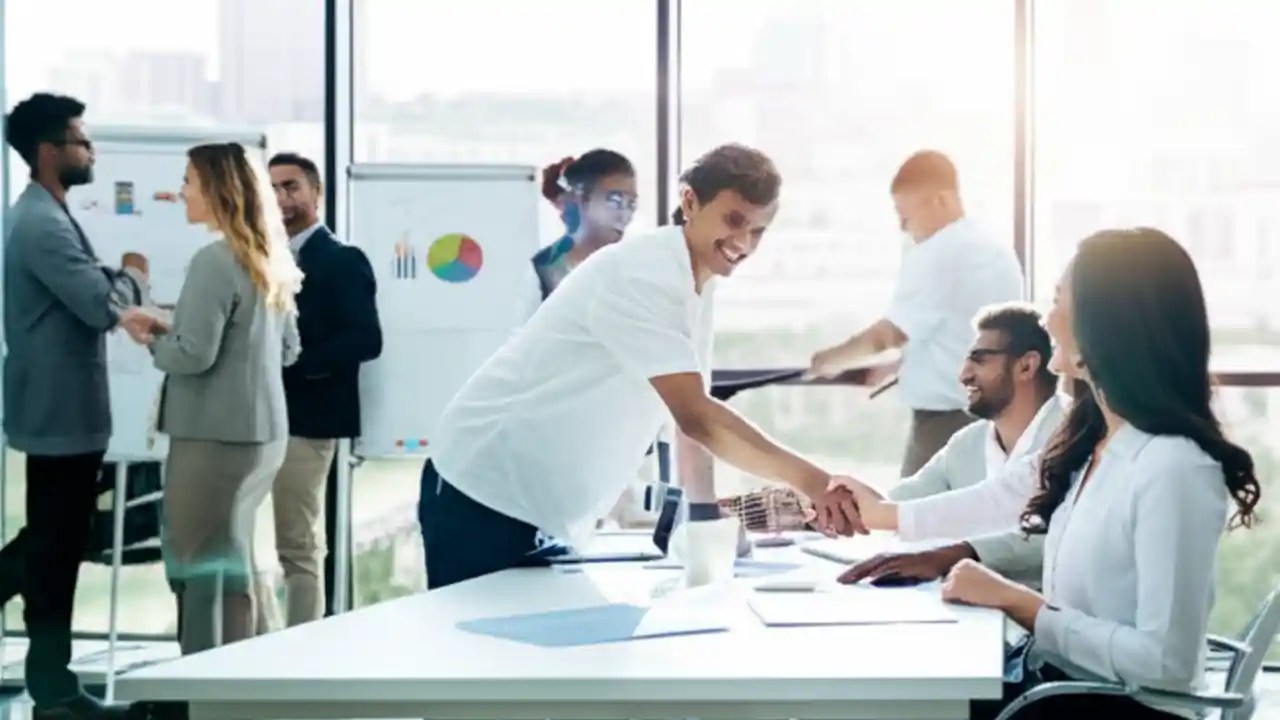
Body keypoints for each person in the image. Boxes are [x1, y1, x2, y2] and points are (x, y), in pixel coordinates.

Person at [833, 228, 1261, 719]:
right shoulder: (1094, 440)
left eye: (1058, 301)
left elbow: (1167, 662)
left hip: (1102, 709)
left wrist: (1020, 603)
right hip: (1054, 685)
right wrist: (881, 513)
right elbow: (996, 499)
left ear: (1105, 327)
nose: (1047, 318)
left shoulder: (1173, 466)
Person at [418, 143, 863, 590]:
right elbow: (698, 417)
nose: (743, 243)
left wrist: (708, 527)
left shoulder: (696, 282)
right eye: (733, 220)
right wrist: (817, 484)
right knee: (479, 657)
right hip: (481, 489)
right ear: (690, 202)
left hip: (542, 507)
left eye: (758, 231)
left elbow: (692, 424)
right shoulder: (642, 275)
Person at [3, 92, 162, 720]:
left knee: (53, 541)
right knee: (53, 548)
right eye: (79, 139)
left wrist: (110, 277)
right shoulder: (40, 223)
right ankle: (56, 691)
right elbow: (102, 305)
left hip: (59, 413)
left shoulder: (44, 212)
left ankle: (53, 686)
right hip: (59, 417)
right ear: (48, 152)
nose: (89, 150)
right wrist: (132, 273)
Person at [146, 142, 303, 655]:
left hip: (213, 436)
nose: (183, 190)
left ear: (218, 188)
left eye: (189, 180)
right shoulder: (269, 258)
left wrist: (152, 338)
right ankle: (241, 683)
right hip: (261, 435)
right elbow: (287, 348)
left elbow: (191, 355)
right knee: (232, 559)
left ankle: (200, 691)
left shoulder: (214, 260)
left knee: (195, 564)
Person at [809, 150, 1023, 477]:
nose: (902, 226)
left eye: (905, 214)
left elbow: (889, 334)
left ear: (941, 200)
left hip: (945, 425)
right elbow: (960, 334)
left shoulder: (939, 252)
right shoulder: (992, 248)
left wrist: (829, 360)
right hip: (998, 420)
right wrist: (902, 366)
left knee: (918, 521)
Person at [839, 303, 1063, 587]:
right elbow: (903, 501)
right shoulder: (967, 443)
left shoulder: (1074, 435)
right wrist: (832, 503)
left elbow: (1061, 536)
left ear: (1026, 366)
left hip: (1048, 614)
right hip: (974, 608)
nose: (964, 375)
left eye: (979, 360)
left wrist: (953, 555)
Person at [266, 151, 381, 627]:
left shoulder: (340, 259)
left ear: (317, 194)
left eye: (291, 187)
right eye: (271, 190)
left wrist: (292, 365)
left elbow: (366, 339)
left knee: (298, 543)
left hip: (308, 418)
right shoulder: (261, 259)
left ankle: (299, 647)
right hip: (257, 418)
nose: (281, 199)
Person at [527, 149, 638, 306]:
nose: (624, 214)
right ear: (580, 199)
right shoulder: (542, 272)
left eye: (631, 203)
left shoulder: (637, 270)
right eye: (614, 200)